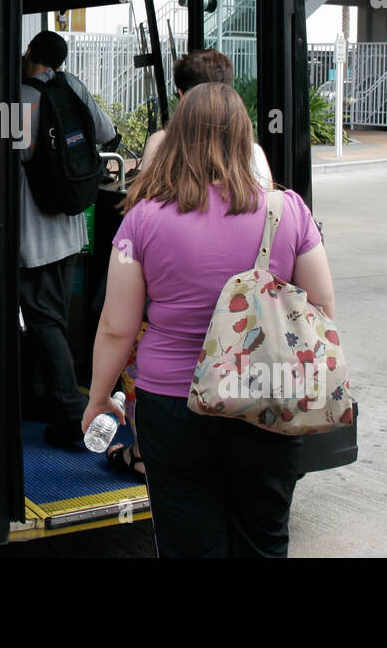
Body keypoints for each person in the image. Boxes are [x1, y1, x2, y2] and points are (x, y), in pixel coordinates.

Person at [83, 82, 335, 556]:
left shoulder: (142, 219)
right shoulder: (290, 210)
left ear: (178, 136)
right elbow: (321, 309)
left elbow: (117, 326)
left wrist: (98, 398)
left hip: (174, 404)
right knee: (263, 538)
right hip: (270, 396)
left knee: (187, 542)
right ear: (245, 136)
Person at [109, 49, 272, 478]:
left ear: (181, 95)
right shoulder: (256, 157)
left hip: (170, 368)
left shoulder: (161, 145)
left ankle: (142, 450)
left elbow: (139, 212)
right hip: (250, 360)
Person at [19, 30, 118, 447]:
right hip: (72, 228)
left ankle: (73, 416)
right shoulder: (73, 85)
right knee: (53, 318)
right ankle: (35, 396)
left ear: (31, 56)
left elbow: (18, 153)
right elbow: (106, 133)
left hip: (34, 232)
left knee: (44, 322)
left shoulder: (23, 97)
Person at [141, 49, 271, 187]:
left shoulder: (160, 145)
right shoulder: (254, 153)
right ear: (228, 92)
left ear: (181, 95)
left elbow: (145, 196)